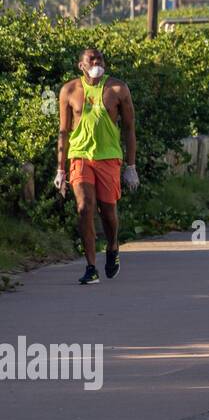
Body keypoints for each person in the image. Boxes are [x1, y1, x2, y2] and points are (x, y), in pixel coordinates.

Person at [57, 47, 138, 285]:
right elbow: (63, 131)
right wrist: (60, 169)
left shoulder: (118, 89)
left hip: (109, 158)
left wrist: (131, 166)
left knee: (108, 212)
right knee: (84, 208)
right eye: (91, 59)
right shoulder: (69, 90)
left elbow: (129, 128)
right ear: (80, 65)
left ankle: (113, 246)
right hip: (80, 156)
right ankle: (91, 267)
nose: (97, 62)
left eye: (100, 58)